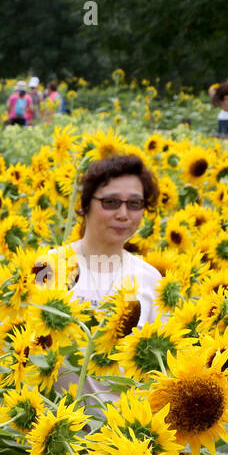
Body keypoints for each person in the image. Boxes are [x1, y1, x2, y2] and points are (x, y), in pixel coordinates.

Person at [53, 154, 163, 404]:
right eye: (111, 202)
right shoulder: (49, 267)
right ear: (85, 205)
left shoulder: (151, 280)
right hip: (52, 432)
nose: (124, 214)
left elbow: (161, 371)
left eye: (135, 204)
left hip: (121, 435)